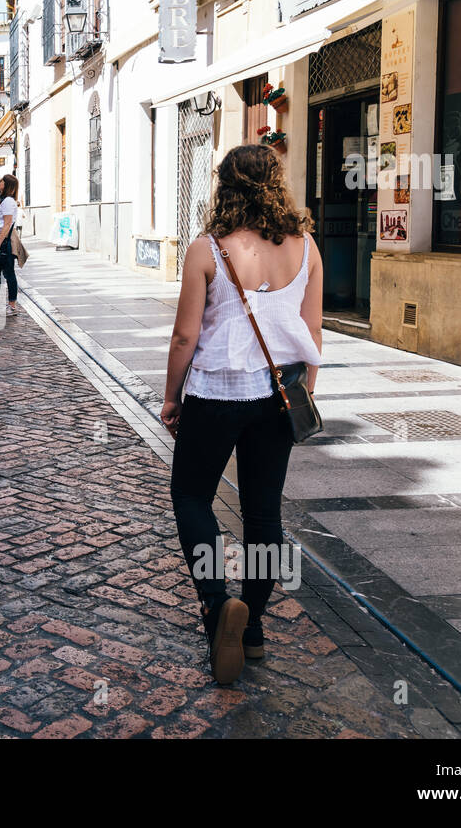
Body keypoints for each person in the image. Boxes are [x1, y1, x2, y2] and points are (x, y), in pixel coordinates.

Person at [158, 144, 323, 686]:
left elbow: (186, 335)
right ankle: (251, 630)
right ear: (276, 184)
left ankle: (216, 605)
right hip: (277, 397)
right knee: (264, 516)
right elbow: (313, 333)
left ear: (224, 186)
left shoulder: (206, 249)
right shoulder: (306, 248)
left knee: (191, 497)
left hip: (215, 393)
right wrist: (302, 396)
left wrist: (171, 397)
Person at [0, 174, 21, 318]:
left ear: (6, 185)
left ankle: (12, 306)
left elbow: (7, 224)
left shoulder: (8, 201)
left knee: (8, 273)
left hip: (3, 241)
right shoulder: (5, 200)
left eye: (1, 181)